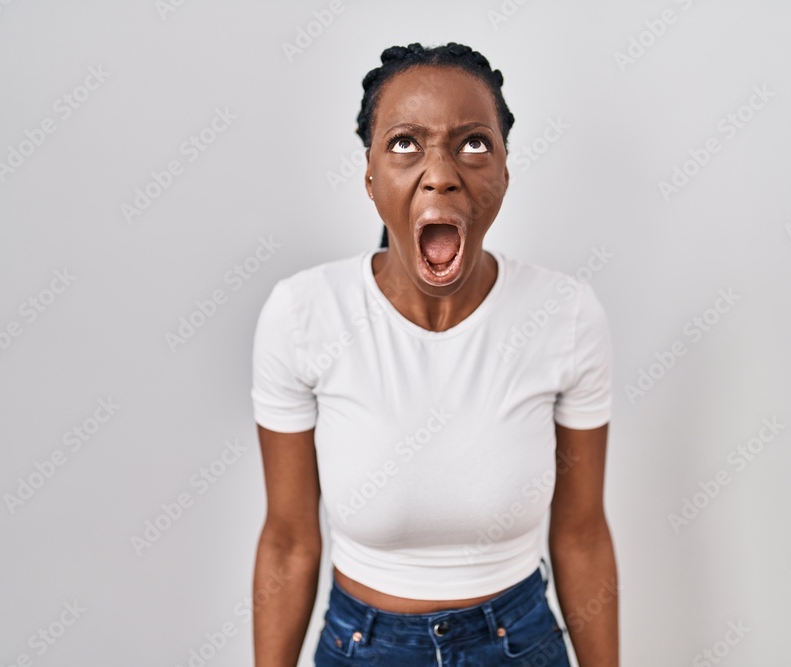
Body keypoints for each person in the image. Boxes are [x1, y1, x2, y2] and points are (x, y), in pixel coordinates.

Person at [251, 41, 619, 666]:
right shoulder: (303, 314)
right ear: (370, 176)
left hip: (520, 643)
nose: (442, 172)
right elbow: (288, 541)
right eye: (404, 143)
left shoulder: (568, 316)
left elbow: (581, 534)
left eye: (474, 143)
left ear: (505, 170)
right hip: (363, 647)